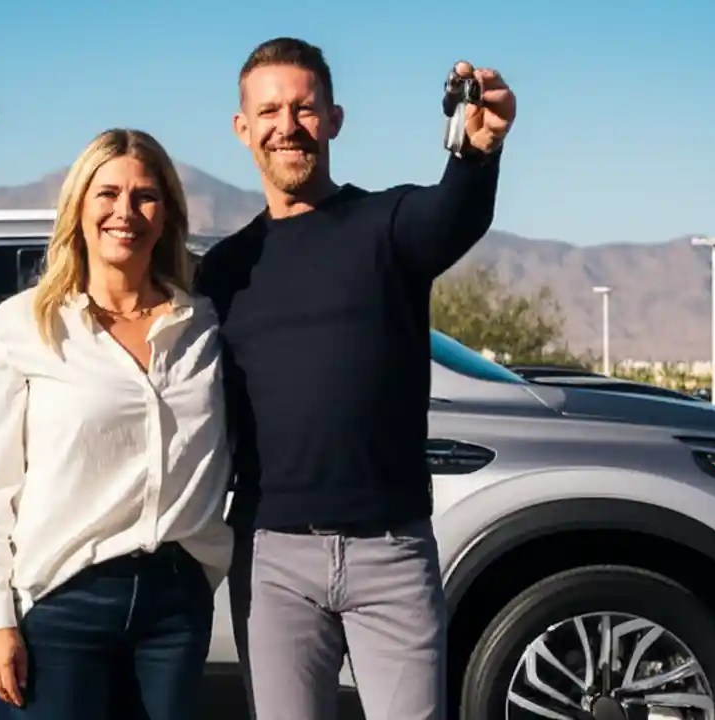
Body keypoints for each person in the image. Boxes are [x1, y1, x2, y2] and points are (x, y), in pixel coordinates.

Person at [193, 38, 515, 720]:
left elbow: (453, 213)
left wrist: (476, 149)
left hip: (390, 555)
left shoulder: (388, 225)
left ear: (334, 119)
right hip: (273, 558)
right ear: (242, 128)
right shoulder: (223, 271)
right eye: (270, 110)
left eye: (304, 108)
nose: (288, 125)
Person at [0, 127, 235, 720]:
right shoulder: (20, 329)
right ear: (78, 206)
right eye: (107, 194)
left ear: (167, 214)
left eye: (144, 196)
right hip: (62, 605)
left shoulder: (203, 324)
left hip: (175, 610)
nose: (124, 212)